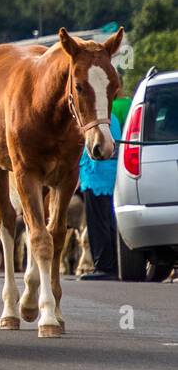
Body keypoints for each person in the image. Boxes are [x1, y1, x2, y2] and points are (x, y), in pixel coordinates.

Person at [78, 111, 122, 280]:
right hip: (110, 176)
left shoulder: (95, 119)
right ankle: (113, 265)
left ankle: (103, 266)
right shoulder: (113, 118)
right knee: (109, 222)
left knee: (97, 223)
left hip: (96, 176)